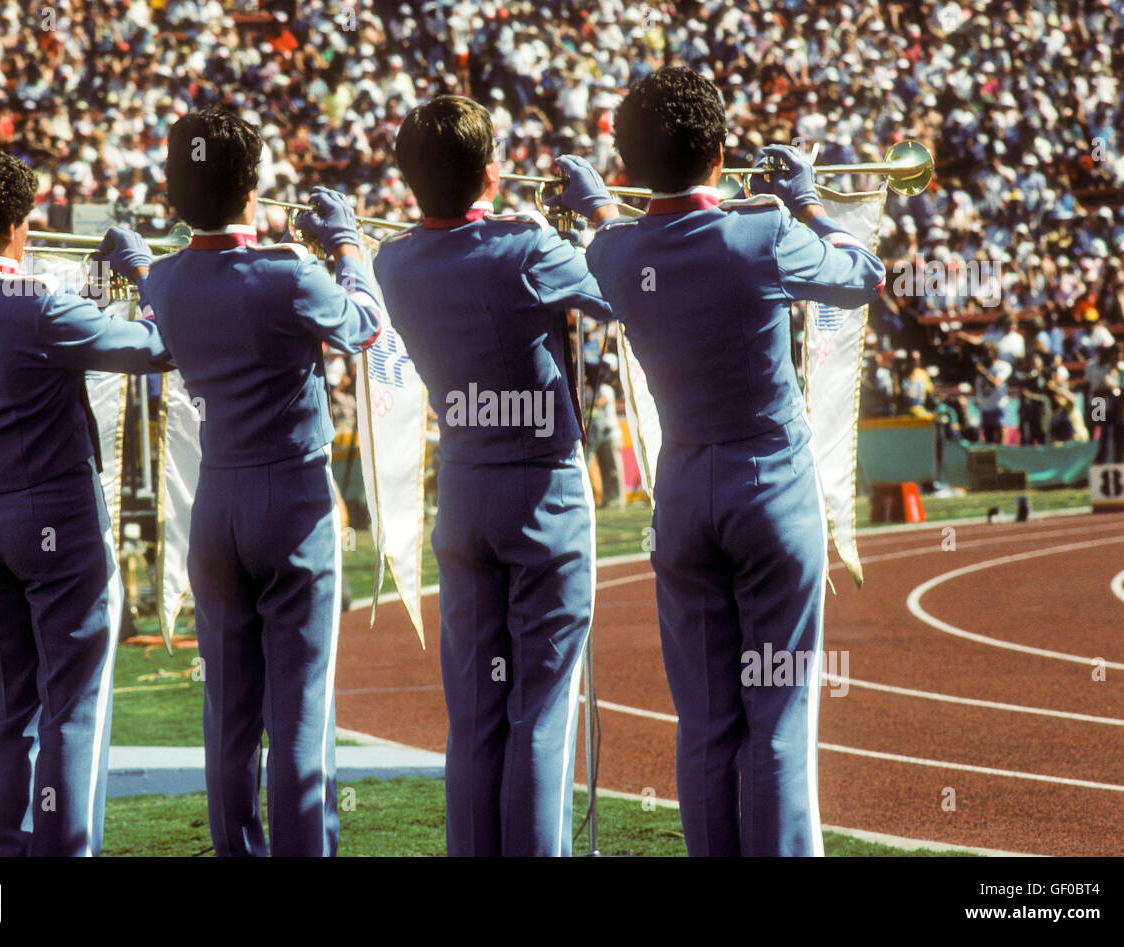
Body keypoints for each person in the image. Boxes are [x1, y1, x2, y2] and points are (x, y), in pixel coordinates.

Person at [570, 65, 884, 856]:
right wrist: (811, 200)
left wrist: (598, 205)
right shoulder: (765, 231)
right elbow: (863, 276)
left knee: (707, 720)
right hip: (771, 488)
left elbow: (621, 243)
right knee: (776, 715)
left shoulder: (610, 250)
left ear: (631, 163)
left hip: (683, 493)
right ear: (720, 152)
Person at [0, 152, 174, 856]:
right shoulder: (36, 305)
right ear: (19, 229)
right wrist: (145, 274)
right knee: (74, 708)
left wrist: (90, 281)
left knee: (8, 708)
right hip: (56, 514)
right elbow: (157, 343)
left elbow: (22, 320)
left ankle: (10, 850)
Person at [373, 94, 616, 856]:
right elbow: (623, 293)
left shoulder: (392, 259)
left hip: (468, 490)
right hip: (543, 488)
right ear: (490, 170)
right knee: (540, 712)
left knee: (476, 712)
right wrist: (599, 214)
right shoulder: (525, 247)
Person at [143, 108, 381, 857]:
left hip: (217, 502)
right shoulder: (286, 271)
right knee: (302, 711)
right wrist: (346, 243)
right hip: (292, 497)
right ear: (253, 190)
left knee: (229, 715)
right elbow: (368, 325)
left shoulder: (164, 275)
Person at [586, 355, 624, 508]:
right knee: (604, 468)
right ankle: (608, 499)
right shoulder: (592, 391)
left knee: (613, 469)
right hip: (600, 435)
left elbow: (599, 403)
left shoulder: (606, 391)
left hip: (610, 434)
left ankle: (617, 499)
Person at [973, 343, 1012, 445]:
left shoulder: (1003, 366)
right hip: (985, 408)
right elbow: (978, 388)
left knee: (1001, 439)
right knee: (988, 441)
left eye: (988, 353)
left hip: (998, 406)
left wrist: (984, 373)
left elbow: (996, 383)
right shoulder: (979, 370)